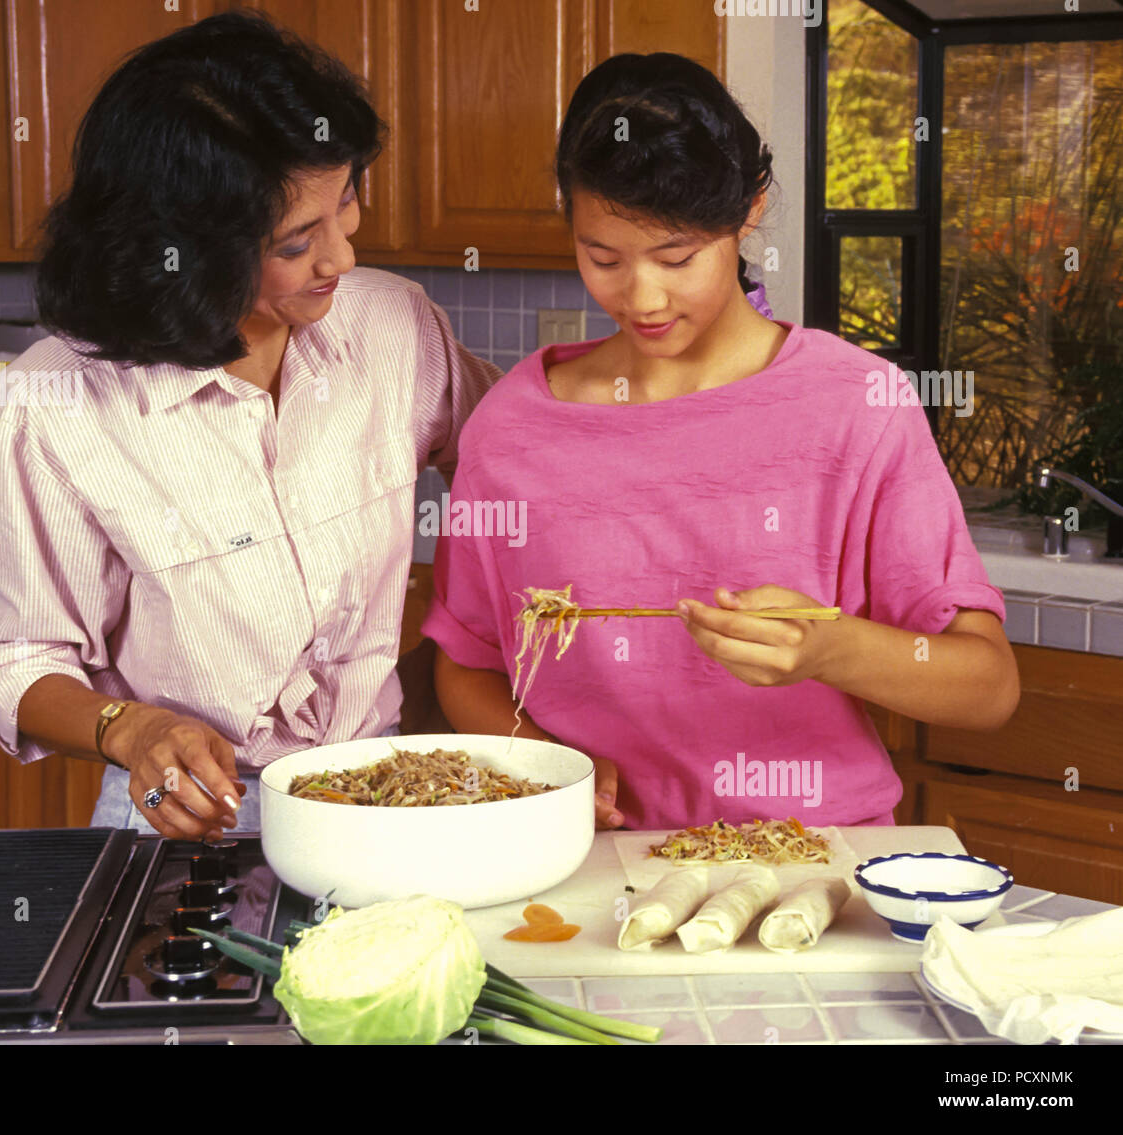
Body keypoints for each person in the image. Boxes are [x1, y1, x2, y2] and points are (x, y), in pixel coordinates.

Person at [423, 53, 1019, 832]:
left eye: (677, 258)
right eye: (603, 258)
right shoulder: (511, 427)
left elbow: (989, 686)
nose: (642, 297)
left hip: (812, 862)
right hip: (591, 870)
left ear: (749, 211)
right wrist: (548, 768)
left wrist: (827, 649)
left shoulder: (857, 405)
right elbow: (466, 663)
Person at [0, 11, 498, 841]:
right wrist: (131, 729)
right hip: (186, 821)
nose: (342, 258)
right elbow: (17, 660)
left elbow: (523, 463)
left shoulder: (394, 325)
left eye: (346, 202)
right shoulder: (56, 403)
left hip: (387, 800)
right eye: (296, 241)